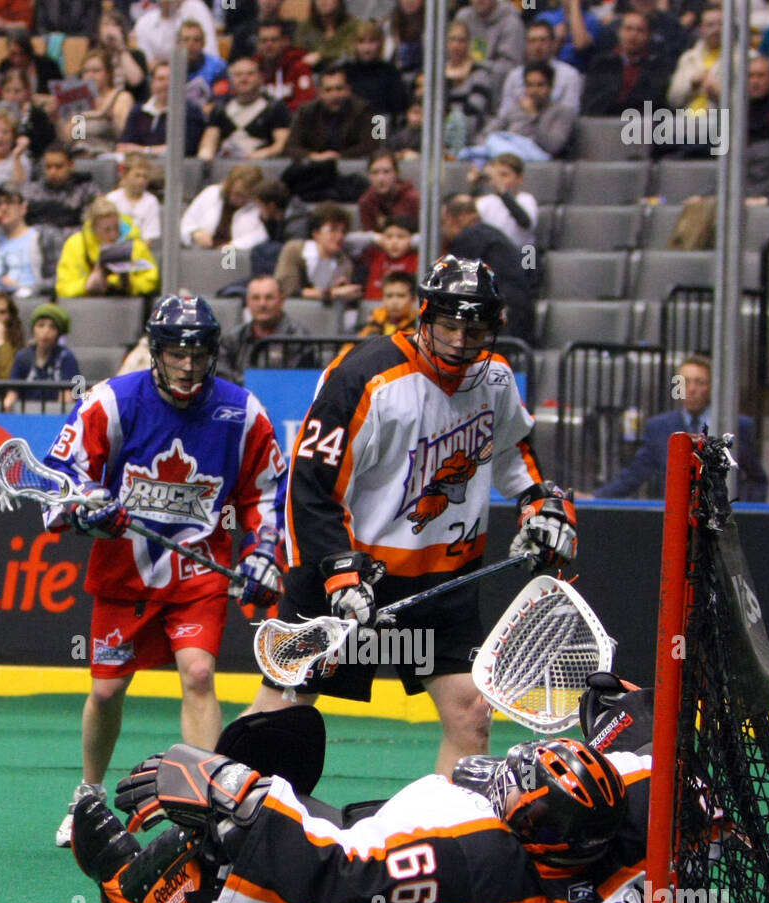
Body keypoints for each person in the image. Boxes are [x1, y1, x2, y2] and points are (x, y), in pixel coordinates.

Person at [71, 673, 652, 903]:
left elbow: (330, 882)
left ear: (524, 834)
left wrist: (234, 795)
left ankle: (141, 891)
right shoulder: (646, 818)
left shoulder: (476, 864)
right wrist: (629, 720)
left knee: (247, 854)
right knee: (379, 823)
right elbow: (660, 747)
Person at [246, 254, 576, 777]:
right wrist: (339, 572)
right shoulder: (363, 376)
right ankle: (220, 826)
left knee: (471, 714)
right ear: (425, 316)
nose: (462, 342)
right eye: (450, 325)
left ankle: (450, 840)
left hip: (441, 583)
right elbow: (311, 485)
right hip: (352, 578)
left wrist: (539, 501)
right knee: (280, 714)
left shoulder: (494, 379)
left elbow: (514, 450)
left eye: (476, 329)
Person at [45, 294, 289, 848]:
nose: (187, 364)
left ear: (212, 353)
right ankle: (87, 795)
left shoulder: (241, 411)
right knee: (107, 692)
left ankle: (204, 806)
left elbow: (266, 492)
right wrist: (89, 509)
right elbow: (62, 478)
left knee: (199, 674)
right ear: (155, 351)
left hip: (197, 575)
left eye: (198, 352)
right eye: (176, 352)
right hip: (124, 575)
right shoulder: (112, 401)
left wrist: (263, 550)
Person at [591, 355, 768, 501]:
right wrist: (596, 498)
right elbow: (635, 474)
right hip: (675, 519)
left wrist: (737, 507)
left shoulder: (736, 426)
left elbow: (756, 479)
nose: (691, 389)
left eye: (700, 382)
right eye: (685, 382)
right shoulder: (659, 427)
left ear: (711, 387)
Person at [439, 195, 536, 344]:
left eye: (443, 222)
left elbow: (459, 285)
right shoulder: (493, 234)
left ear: (452, 218)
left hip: (501, 316)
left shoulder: (467, 238)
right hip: (521, 312)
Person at [282, 64, 374, 203]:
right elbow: (290, 147)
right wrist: (315, 156)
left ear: (348, 90)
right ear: (319, 93)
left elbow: (373, 144)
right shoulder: (305, 111)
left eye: (339, 89)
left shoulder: (367, 109)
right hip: (315, 176)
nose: (335, 95)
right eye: (328, 90)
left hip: (349, 174)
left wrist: (338, 156)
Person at [466, 59, 576, 163]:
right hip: (505, 160)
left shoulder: (562, 112)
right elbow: (485, 135)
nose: (534, 91)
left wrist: (533, 116)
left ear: (551, 87)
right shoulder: (516, 110)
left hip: (537, 164)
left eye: (540, 85)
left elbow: (552, 146)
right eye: (530, 85)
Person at [55, 195, 160, 298]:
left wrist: (128, 284)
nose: (113, 235)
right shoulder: (75, 245)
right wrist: (86, 285)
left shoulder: (135, 245)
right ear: (93, 228)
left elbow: (152, 280)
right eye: (107, 230)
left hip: (128, 304)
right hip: (88, 305)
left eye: (116, 227)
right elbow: (63, 288)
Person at [196, 55, 292, 162]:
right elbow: (209, 142)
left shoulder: (275, 108)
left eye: (250, 74)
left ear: (260, 78)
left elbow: (281, 145)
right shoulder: (220, 108)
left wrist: (260, 155)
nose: (244, 79)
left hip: (262, 166)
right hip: (225, 166)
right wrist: (205, 156)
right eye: (238, 75)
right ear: (230, 79)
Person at [218, 273, 313, 379]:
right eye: (256, 298)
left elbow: (293, 381)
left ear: (281, 300)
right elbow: (222, 376)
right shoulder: (232, 339)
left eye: (269, 297)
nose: (262, 304)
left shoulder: (299, 339)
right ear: (247, 301)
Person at [580, 9, 672, 117]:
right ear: (620, 32)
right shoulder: (602, 64)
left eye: (640, 30)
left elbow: (654, 102)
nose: (633, 35)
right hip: (603, 124)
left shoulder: (657, 67)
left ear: (648, 35)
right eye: (628, 29)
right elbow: (593, 101)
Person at [273, 200, 362, 302]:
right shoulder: (294, 251)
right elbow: (287, 290)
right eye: (333, 230)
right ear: (316, 233)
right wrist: (331, 293)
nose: (340, 236)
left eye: (343, 231)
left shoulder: (344, 263)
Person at [117, 59, 206, 158]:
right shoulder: (138, 111)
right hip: (140, 168)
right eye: (160, 79)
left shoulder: (191, 111)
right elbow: (124, 147)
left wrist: (144, 150)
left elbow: (185, 148)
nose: (166, 84)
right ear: (152, 83)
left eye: (171, 79)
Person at [496, 19, 582, 119]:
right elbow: (504, 114)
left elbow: (570, 114)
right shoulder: (514, 76)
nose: (538, 46)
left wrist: (533, 114)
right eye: (533, 41)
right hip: (517, 129)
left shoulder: (569, 75)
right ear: (526, 45)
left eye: (543, 40)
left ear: (553, 43)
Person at [2, 301, 80, 410]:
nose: (46, 331)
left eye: (52, 327)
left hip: (55, 416)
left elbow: (75, 394)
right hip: (26, 416)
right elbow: (12, 393)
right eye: (41, 325)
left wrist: (67, 399)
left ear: (58, 333)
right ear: (33, 329)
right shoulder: (22, 357)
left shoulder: (67, 357)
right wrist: (9, 403)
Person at [59, 46, 135, 155]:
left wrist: (100, 114)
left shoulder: (121, 97)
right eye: (86, 71)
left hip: (107, 152)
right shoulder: (79, 99)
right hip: (79, 153)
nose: (90, 75)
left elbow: (121, 133)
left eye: (96, 71)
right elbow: (70, 138)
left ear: (108, 73)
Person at [180, 163, 266, 251]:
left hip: (235, 257)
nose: (240, 200)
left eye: (246, 196)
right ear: (228, 186)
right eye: (237, 194)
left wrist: (235, 245)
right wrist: (195, 233)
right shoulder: (210, 193)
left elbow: (262, 235)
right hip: (202, 254)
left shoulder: (258, 207)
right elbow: (186, 223)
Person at [452, 0, 526, 103]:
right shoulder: (463, 17)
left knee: (481, 78)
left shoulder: (511, 23)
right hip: (461, 80)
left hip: (496, 89)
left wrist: (475, 66)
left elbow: (510, 67)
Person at [23, 142, 96, 235]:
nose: (52, 172)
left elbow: (91, 224)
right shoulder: (32, 190)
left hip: (72, 241)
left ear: (71, 165)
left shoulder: (86, 189)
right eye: (48, 167)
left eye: (58, 167)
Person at [344, 18, 408, 124]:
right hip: (352, 123)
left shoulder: (390, 71)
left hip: (380, 122)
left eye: (372, 41)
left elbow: (398, 106)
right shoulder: (347, 71)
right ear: (355, 44)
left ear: (380, 43)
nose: (367, 48)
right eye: (361, 41)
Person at [467, 153, 539, 247]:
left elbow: (525, 222)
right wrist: (474, 186)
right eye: (496, 175)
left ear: (519, 178)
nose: (498, 179)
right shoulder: (487, 201)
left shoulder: (526, 199)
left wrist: (501, 189)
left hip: (521, 254)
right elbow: (467, 221)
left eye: (504, 175)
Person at [132, 0, 218, 68]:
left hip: (197, 71)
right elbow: (148, 66)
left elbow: (211, 54)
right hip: (162, 78)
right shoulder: (144, 23)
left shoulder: (195, 8)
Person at [254, 18, 315, 111]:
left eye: (274, 40)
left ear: (284, 41)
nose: (269, 45)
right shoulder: (252, 68)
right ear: (257, 44)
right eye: (264, 41)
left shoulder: (298, 66)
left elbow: (306, 101)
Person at [356, 216, 418, 301]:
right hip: (373, 310)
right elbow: (347, 242)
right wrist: (374, 237)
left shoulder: (417, 260)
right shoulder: (374, 256)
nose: (394, 242)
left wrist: (414, 241)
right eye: (389, 236)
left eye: (401, 237)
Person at [358, 150, 419, 234]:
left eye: (386, 172)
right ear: (369, 176)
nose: (381, 179)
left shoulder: (413, 199)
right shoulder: (366, 202)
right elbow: (369, 239)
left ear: (397, 173)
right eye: (375, 173)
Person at [107, 153, 161, 244]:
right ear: (125, 174)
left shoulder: (151, 201)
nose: (141, 181)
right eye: (137, 175)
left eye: (145, 177)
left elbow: (148, 239)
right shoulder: (111, 199)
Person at [293, 0, 361, 71]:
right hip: (312, 75)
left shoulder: (354, 26)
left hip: (348, 73)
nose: (323, 1)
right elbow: (298, 55)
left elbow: (353, 52)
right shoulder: (305, 27)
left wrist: (321, 55)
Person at [356, 267, 418, 337]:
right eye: (389, 296)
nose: (394, 302)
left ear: (413, 299)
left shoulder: (418, 324)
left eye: (401, 296)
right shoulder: (374, 321)